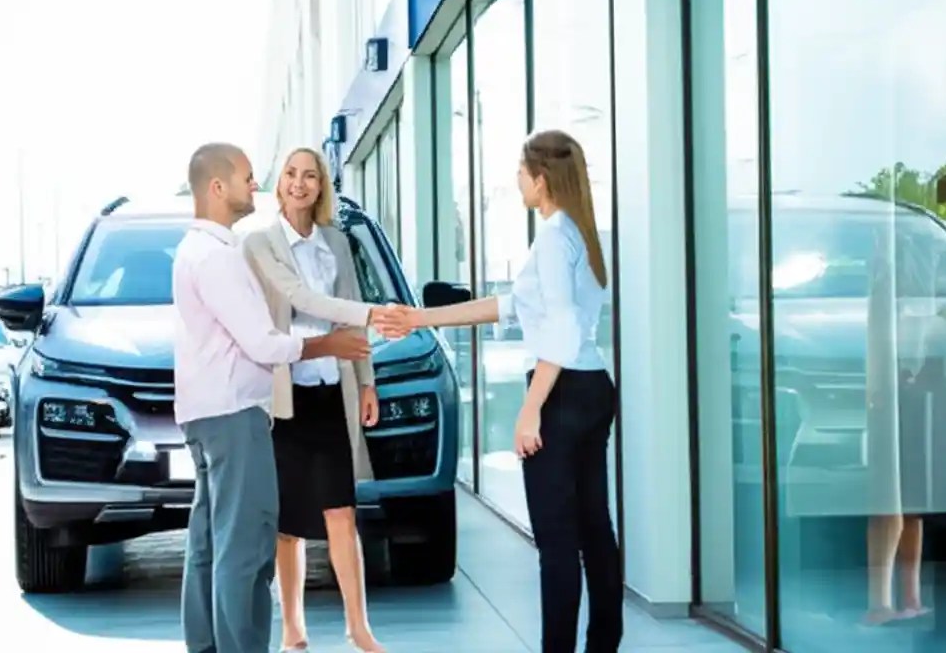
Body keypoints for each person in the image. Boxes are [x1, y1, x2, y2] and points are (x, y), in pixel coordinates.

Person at [390, 130, 623, 653]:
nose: (516, 179)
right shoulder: (577, 235)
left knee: (559, 543)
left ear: (540, 180)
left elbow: (560, 331)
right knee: (593, 530)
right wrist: (420, 319)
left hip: (560, 393)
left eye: (521, 171)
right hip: (591, 386)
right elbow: (507, 306)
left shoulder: (552, 238)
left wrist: (530, 410)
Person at [173, 142, 372, 653]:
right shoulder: (219, 257)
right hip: (235, 417)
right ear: (217, 188)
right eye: (247, 178)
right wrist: (329, 341)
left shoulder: (198, 250)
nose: (255, 185)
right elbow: (262, 341)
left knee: (209, 544)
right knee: (247, 548)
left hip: (207, 415)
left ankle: (206, 646)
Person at [240, 147, 396, 653]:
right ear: (278, 183)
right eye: (290, 174)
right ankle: (293, 629)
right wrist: (378, 313)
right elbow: (302, 302)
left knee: (341, 512)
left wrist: (366, 380)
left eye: (310, 175)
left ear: (321, 185)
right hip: (282, 397)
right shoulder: (259, 244)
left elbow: (348, 316)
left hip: (333, 390)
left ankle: (358, 627)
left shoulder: (337, 242)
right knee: (289, 522)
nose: (299, 183)